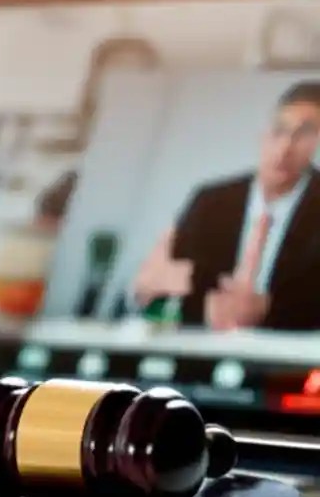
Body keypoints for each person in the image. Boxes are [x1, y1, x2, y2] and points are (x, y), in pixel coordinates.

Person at [132, 81, 320, 331]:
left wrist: (267, 309)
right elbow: (167, 290)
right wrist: (147, 292)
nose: (285, 147)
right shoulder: (209, 202)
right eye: (280, 130)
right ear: (263, 135)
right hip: (202, 355)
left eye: (304, 134)